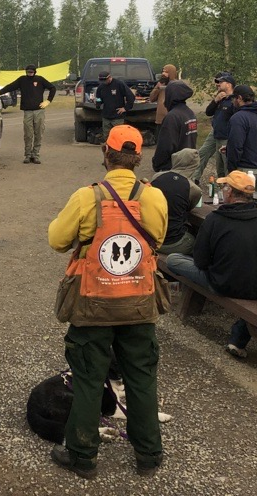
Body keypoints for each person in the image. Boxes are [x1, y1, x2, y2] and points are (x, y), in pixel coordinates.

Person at [47, 125, 167, 479]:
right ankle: (149, 454)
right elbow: (158, 237)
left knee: (87, 379)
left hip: (93, 304)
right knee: (141, 378)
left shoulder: (87, 197)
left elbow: (57, 239)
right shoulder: (154, 196)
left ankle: (83, 456)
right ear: (139, 157)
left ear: (105, 153)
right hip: (139, 302)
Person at [163, 171, 257, 359]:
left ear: (230, 193)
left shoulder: (215, 219)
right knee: (247, 280)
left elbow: (200, 261)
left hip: (224, 284)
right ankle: (237, 339)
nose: (223, 190)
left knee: (173, 259)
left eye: (224, 187)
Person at [0, 64, 56, 164]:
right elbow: (11, 86)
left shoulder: (40, 79)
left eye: (31, 72)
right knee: (28, 134)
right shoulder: (22, 80)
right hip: (27, 111)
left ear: (35, 72)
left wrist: (48, 101)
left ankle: (36, 154)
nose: (30, 74)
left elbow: (52, 88)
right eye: (28, 72)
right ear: (26, 71)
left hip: (39, 110)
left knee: (38, 133)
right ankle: (28, 155)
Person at [151, 148, 202, 256]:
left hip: (152, 237)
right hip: (172, 242)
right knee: (199, 241)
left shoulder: (156, 177)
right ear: (194, 165)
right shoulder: (193, 189)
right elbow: (190, 207)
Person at [191, 72, 235, 183]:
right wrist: (215, 100)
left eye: (221, 82)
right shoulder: (221, 98)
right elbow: (208, 112)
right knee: (202, 153)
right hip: (215, 132)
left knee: (224, 164)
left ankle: (227, 187)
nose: (218, 84)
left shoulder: (234, 101)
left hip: (226, 136)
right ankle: (194, 179)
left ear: (229, 84)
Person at [224, 85, 257, 184]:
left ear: (240, 98)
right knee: (254, 199)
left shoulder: (238, 118)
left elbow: (236, 146)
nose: (232, 101)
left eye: (234, 98)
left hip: (243, 171)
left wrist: (231, 169)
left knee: (239, 199)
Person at [151, 80, 197, 172]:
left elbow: (165, 145)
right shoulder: (189, 113)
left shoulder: (172, 117)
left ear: (171, 96)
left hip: (174, 167)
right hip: (187, 163)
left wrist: (157, 163)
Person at [94, 71, 135, 135]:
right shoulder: (101, 87)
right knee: (106, 135)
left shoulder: (119, 84)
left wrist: (125, 108)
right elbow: (98, 97)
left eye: (105, 80)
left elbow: (130, 96)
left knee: (118, 135)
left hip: (117, 116)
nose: (104, 82)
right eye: (102, 81)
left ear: (110, 77)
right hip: (106, 116)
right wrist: (98, 104)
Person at [148, 64, 179, 132]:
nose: (163, 74)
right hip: (160, 120)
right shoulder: (161, 84)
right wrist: (157, 88)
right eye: (163, 71)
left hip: (171, 119)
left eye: (166, 72)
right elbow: (152, 98)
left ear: (171, 73)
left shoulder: (176, 84)